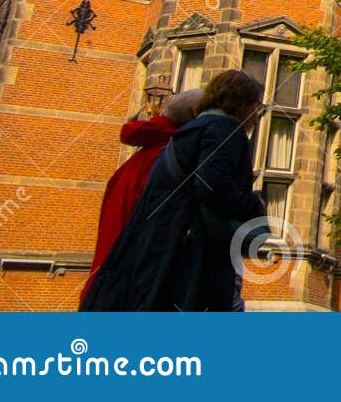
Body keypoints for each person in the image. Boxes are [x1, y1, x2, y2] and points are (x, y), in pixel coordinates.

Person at [80, 69, 267, 312]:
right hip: (194, 254)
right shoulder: (225, 129)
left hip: (159, 251)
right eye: (256, 106)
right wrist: (254, 205)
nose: (256, 115)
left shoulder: (186, 133)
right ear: (242, 103)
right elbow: (212, 186)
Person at [80, 88, 202, 304]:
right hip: (134, 281)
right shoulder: (169, 157)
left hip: (110, 278)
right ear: (195, 115)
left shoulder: (147, 150)